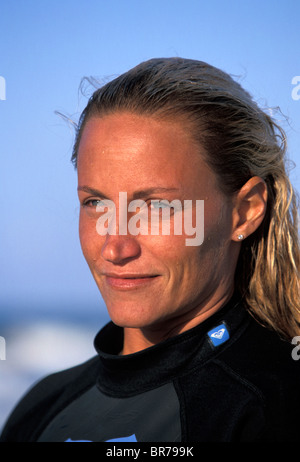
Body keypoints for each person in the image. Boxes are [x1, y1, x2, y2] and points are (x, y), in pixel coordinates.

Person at [1, 57, 299, 443]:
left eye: (157, 207)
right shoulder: (43, 406)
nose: (115, 246)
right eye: (96, 203)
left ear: (244, 212)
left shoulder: (274, 408)